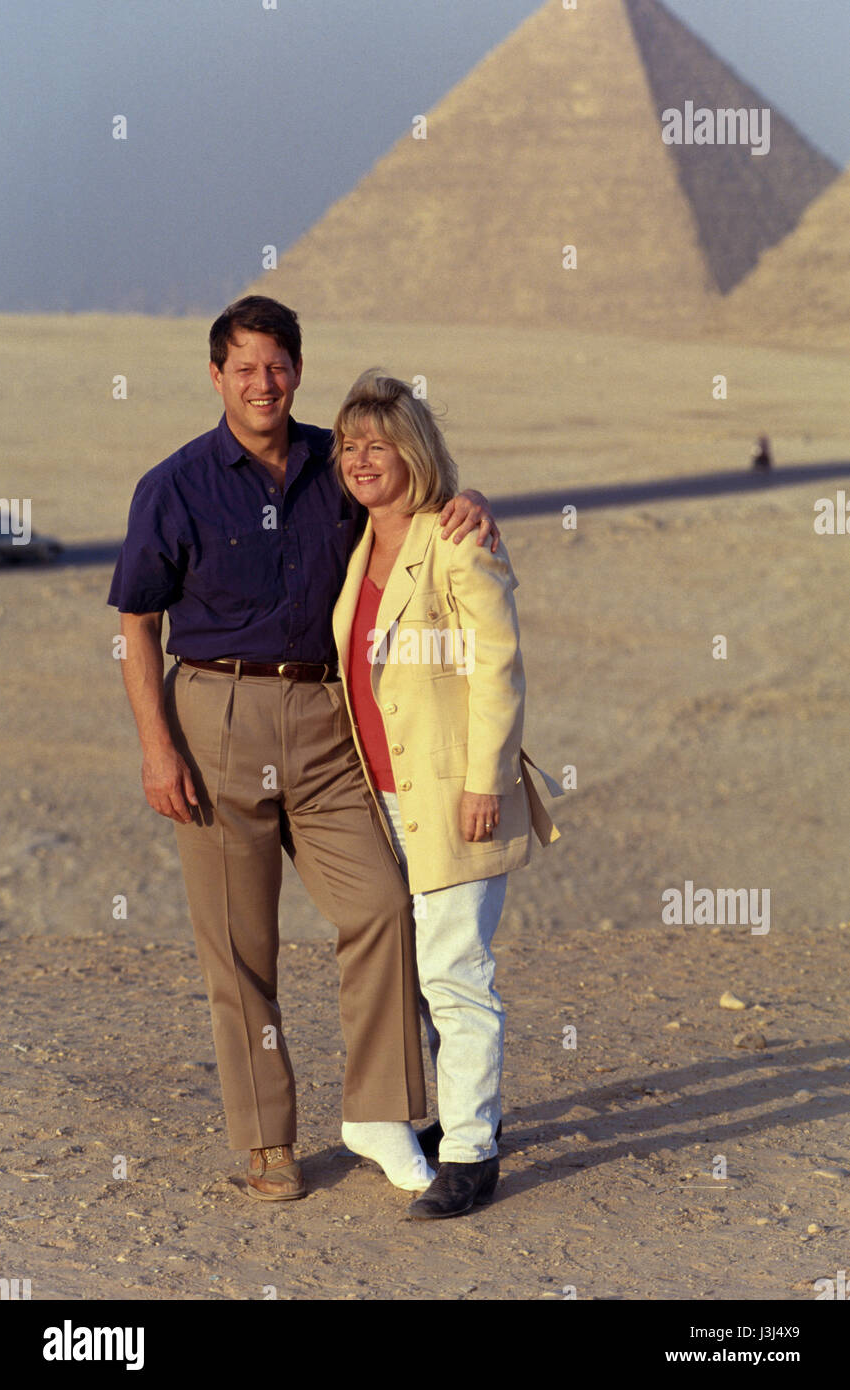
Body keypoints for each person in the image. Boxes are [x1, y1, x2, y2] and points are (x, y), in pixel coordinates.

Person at [108, 297, 499, 1201]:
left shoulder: (340, 463)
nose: (262, 384)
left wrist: (466, 501)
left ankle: (380, 1113)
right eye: (243, 368)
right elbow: (137, 622)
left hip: (327, 723)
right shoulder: (173, 485)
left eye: (277, 366)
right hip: (217, 717)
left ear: (298, 370)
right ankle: (265, 1143)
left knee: (381, 909)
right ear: (216, 376)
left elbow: (417, 498)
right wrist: (156, 747)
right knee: (242, 945)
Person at [331, 370, 563, 1219]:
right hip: (385, 802)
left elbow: (496, 667)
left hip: (457, 794)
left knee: (456, 973)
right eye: (347, 445)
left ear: (413, 452)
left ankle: (469, 1156)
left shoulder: (456, 539)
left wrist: (484, 783)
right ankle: (469, 1119)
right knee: (427, 979)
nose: (359, 459)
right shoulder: (360, 545)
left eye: (376, 444)